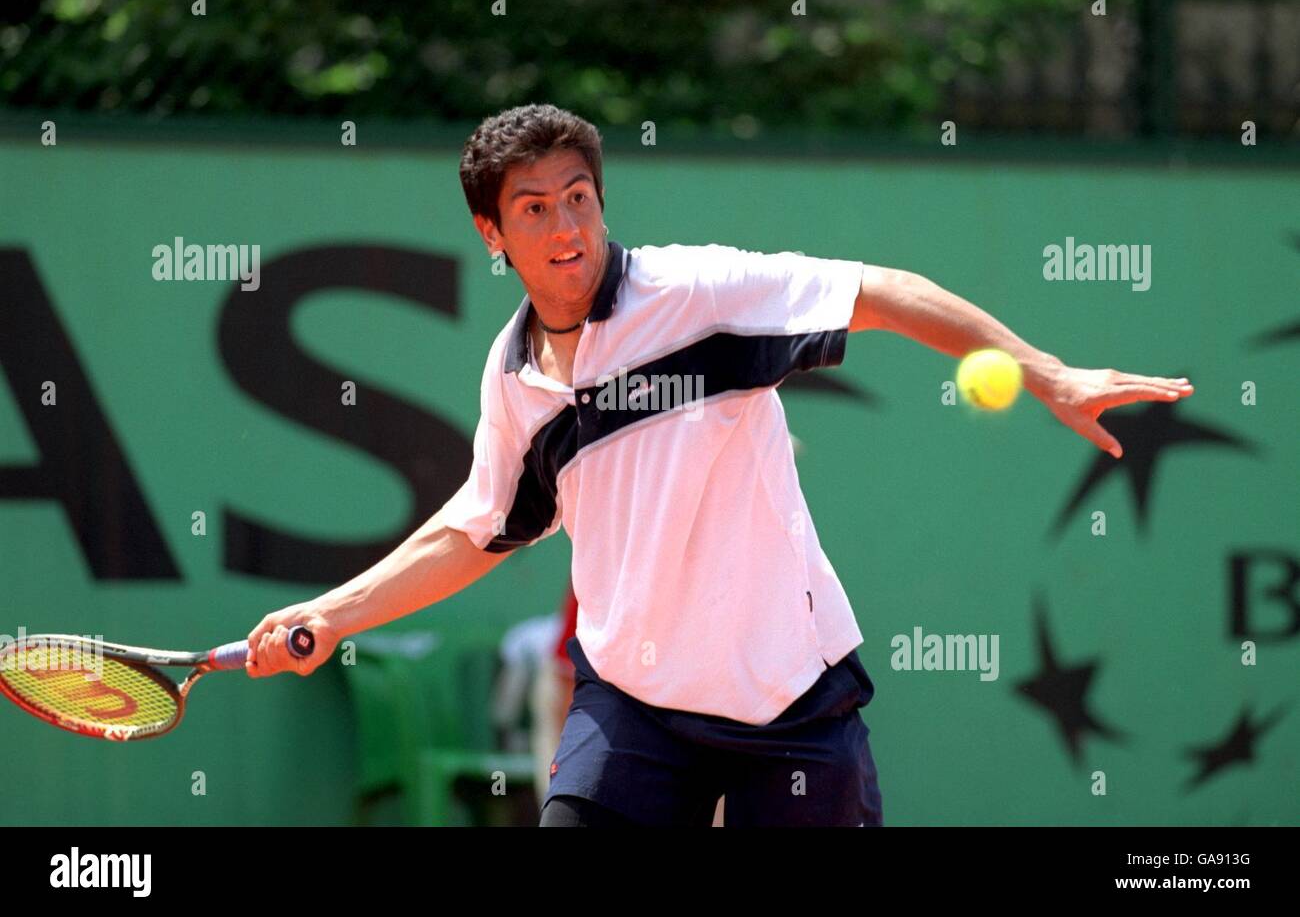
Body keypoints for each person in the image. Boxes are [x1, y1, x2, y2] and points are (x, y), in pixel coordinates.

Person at [242, 104, 1195, 826]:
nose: (566, 227)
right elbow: (479, 525)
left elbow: (886, 292)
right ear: (494, 235)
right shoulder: (514, 375)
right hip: (634, 711)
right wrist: (330, 613)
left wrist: (1048, 374)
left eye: (578, 198)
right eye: (534, 209)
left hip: (787, 702)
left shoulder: (701, 295)